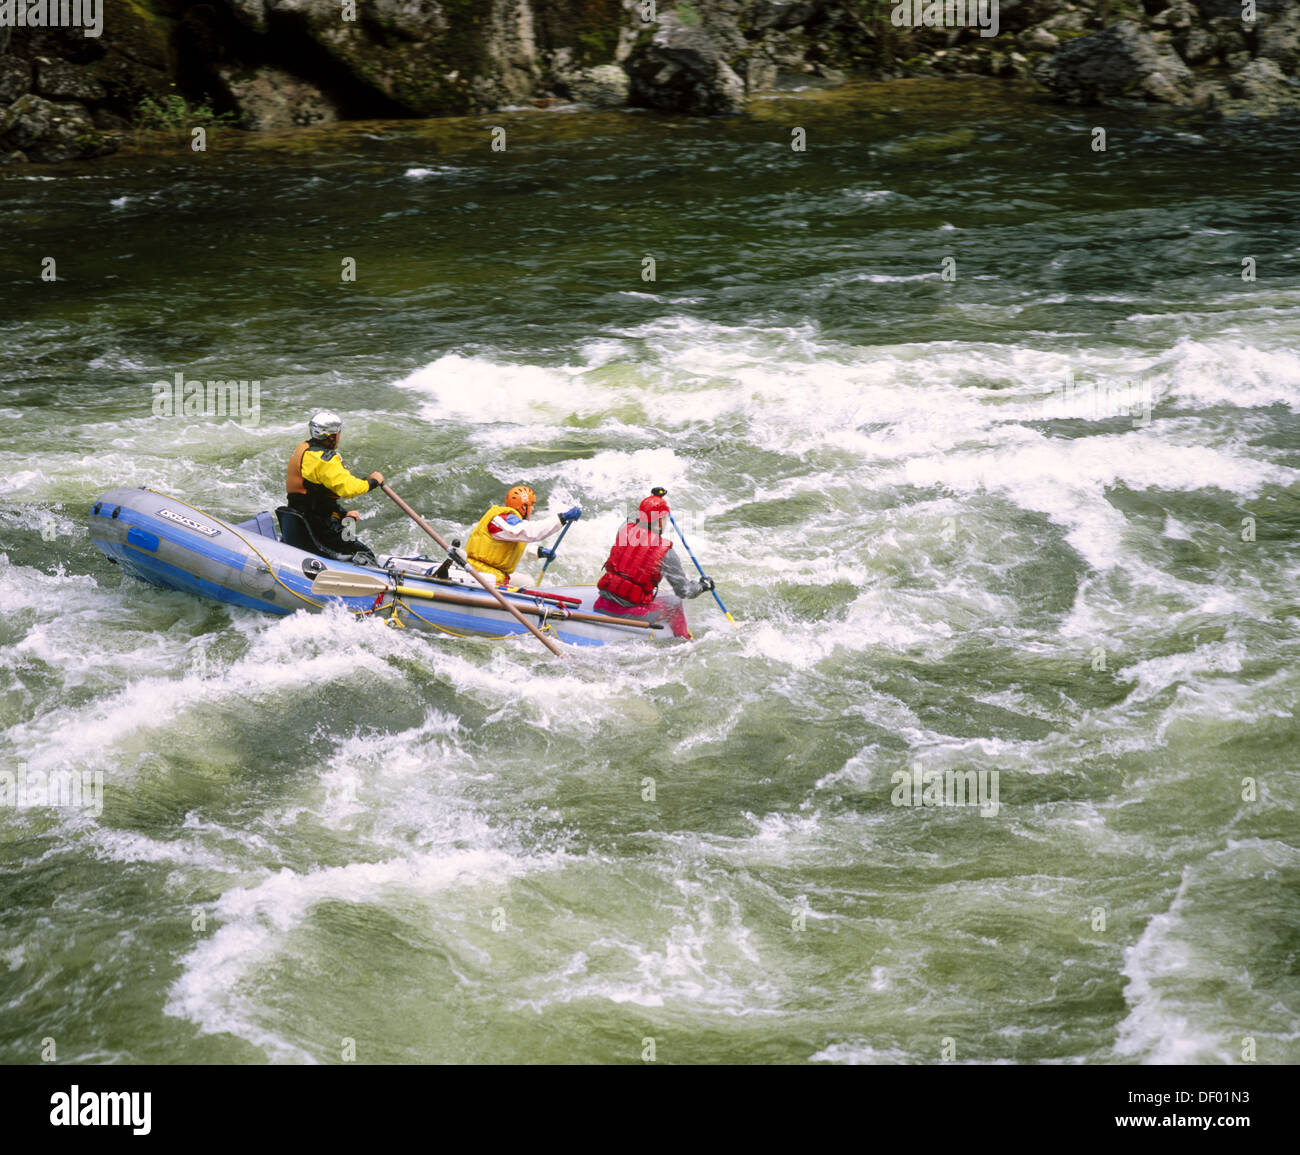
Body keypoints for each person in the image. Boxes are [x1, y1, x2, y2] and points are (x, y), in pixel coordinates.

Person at [595, 489, 714, 639]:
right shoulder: (666, 553)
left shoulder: (623, 530)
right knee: (675, 604)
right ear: (659, 521)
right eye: (665, 518)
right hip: (627, 612)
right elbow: (684, 591)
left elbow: (633, 517)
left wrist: (654, 499)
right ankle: (685, 642)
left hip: (601, 604)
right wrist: (703, 586)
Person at [286, 410, 385, 561]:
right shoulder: (325, 459)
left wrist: (342, 513)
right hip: (318, 526)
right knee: (363, 553)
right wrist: (373, 482)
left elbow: (313, 494)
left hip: (302, 519)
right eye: (338, 433)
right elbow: (349, 489)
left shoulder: (303, 449)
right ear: (332, 436)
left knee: (348, 533)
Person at [465, 485, 581, 585]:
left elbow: (508, 552)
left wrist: (539, 552)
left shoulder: (510, 524)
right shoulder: (503, 520)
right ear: (524, 507)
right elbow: (533, 532)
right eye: (531, 505)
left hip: (491, 574)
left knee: (528, 582)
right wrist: (562, 518)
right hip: (479, 574)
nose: (533, 509)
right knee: (526, 584)